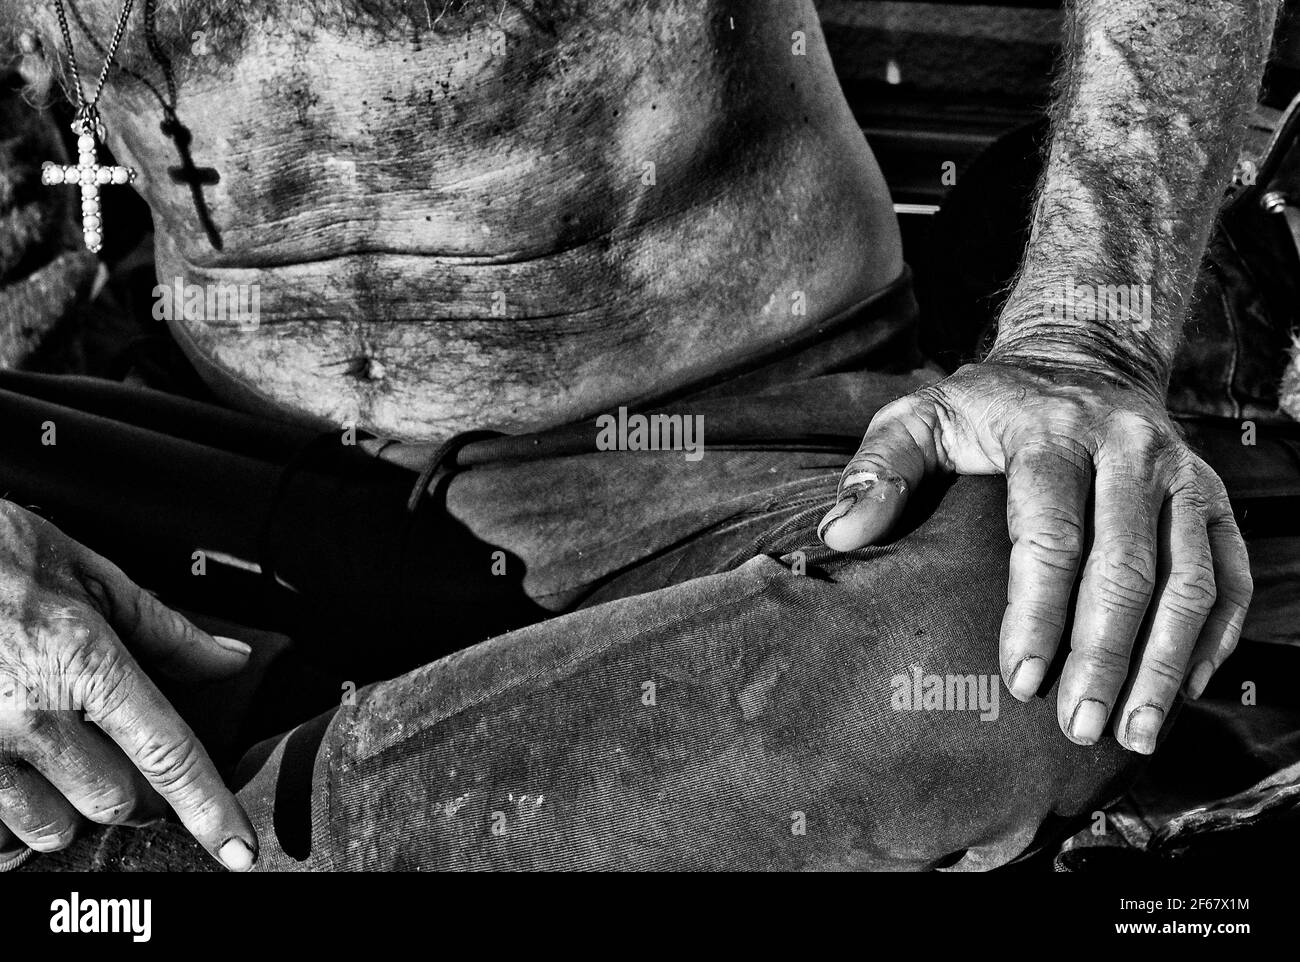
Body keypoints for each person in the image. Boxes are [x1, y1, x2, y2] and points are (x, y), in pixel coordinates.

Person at [0, 0, 1277, 871]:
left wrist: (1077, 342)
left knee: (1029, 619)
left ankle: (156, 865)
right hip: (205, 449)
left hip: (716, 447)